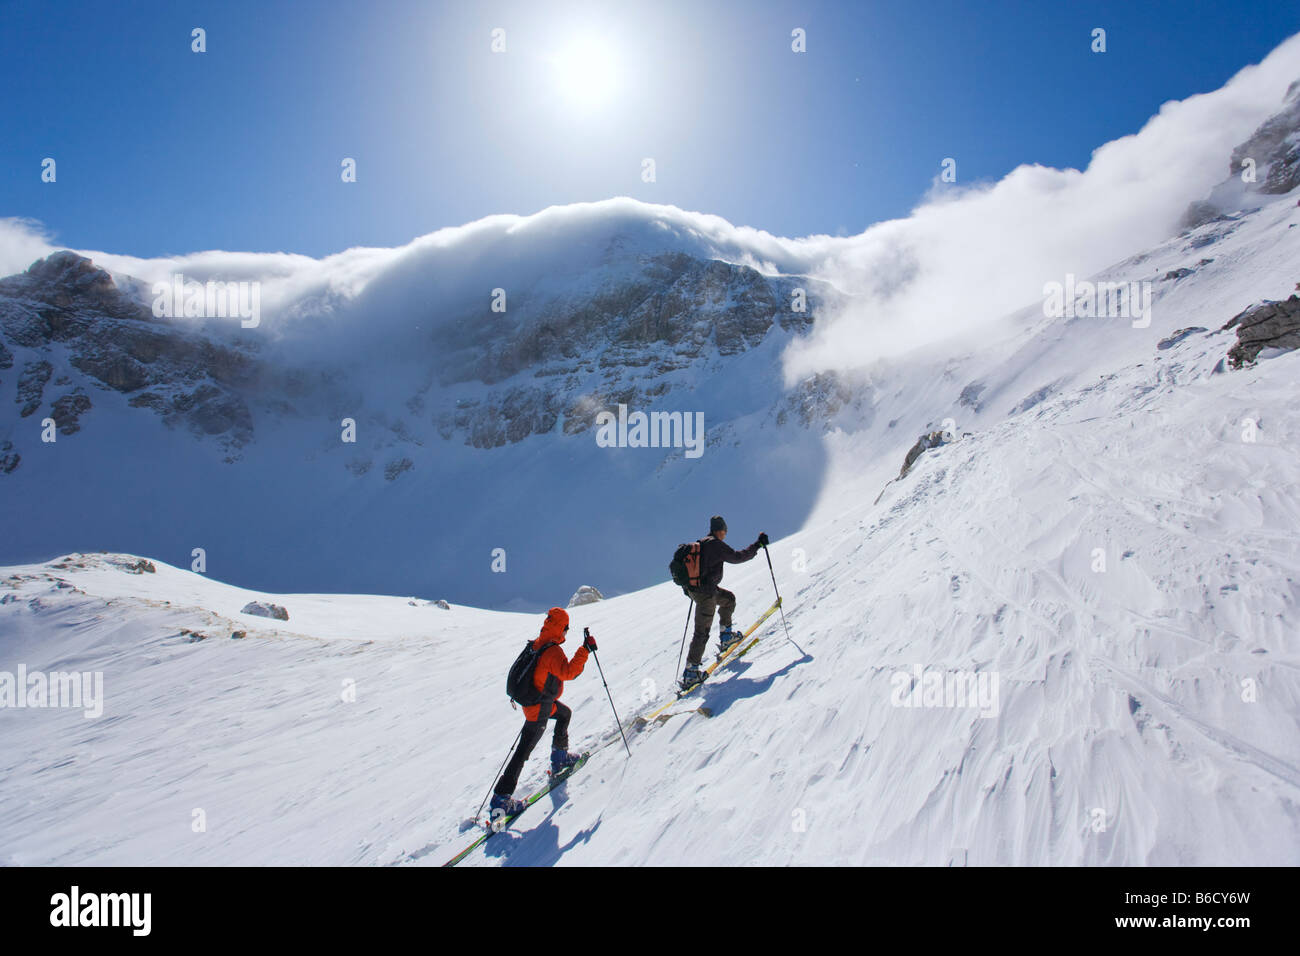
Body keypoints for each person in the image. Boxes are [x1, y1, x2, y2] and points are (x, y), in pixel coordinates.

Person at [490, 606, 597, 816]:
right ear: (561, 627)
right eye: (566, 628)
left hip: (536, 703)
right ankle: (501, 799)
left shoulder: (538, 644)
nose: (566, 632)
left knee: (564, 714)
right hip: (538, 708)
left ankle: (560, 756)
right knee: (523, 750)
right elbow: (568, 672)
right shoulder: (552, 651)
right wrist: (585, 650)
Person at [681, 516, 768, 689]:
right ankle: (691, 673)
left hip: (702, 591)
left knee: (728, 600)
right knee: (702, 632)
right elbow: (737, 557)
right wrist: (758, 545)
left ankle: (726, 636)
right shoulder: (715, 544)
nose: (725, 534)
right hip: (706, 594)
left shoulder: (701, 544)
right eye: (725, 531)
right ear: (720, 530)